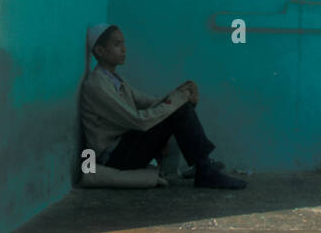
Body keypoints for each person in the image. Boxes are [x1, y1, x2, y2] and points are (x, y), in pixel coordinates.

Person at [80, 23, 245, 190]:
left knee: (179, 107)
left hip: (125, 147)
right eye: (117, 44)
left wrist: (181, 93)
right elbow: (138, 121)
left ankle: (203, 167)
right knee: (178, 109)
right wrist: (177, 101)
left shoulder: (115, 80)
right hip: (113, 158)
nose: (124, 49)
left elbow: (150, 102)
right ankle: (205, 170)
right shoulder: (97, 85)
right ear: (100, 51)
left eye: (123, 43)